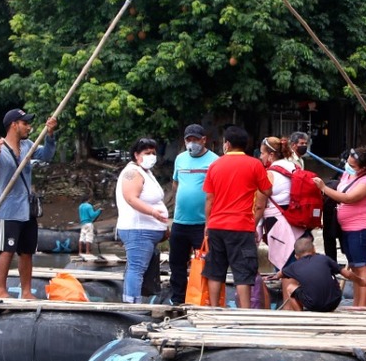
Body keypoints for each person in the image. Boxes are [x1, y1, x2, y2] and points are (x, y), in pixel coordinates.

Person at [0, 107, 57, 299]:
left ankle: (26, 291)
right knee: (6, 250)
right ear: (14, 125)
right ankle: (1, 290)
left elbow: (47, 155)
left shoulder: (28, 145)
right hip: (9, 210)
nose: (29, 127)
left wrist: (50, 134)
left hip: (27, 209)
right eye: (25, 123)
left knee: (27, 252)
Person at [203, 126, 272, 308]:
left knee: (215, 270)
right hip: (242, 226)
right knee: (243, 271)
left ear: (227, 144)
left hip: (217, 225)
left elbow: (209, 199)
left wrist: (207, 224)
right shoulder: (255, 164)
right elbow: (267, 191)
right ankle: (245, 310)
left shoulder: (215, 165)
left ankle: (214, 308)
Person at [315, 147, 366, 307]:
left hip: (361, 229)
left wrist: (324, 188)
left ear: (363, 167)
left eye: (353, 165)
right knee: (355, 267)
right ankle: (357, 303)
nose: (349, 167)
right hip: (346, 228)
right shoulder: (348, 174)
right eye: (348, 163)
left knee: (363, 267)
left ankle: (363, 304)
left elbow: (348, 198)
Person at [169, 123, 219, 304]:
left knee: (205, 263)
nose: (192, 143)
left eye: (195, 140)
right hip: (180, 222)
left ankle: (202, 299)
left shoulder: (214, 161)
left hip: (202, 224)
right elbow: (175, 184)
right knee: (176, 262)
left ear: (204, 140)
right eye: (188, 140)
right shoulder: (180, 159)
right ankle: (177, 299)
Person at [116, 138, 169, 303]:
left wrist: (162, 225)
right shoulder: (132, 173)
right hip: (138, 229)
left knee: (140, 269)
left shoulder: (146, 172)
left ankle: (135, 302)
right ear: (136, 155)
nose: (151, 156)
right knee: (136, 269)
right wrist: (153, 213)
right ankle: (131, 304)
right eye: (147, 153)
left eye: (153, 153)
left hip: (149, 230)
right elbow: (131, 198)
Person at [280, 234, 358, 312]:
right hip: (335, 302)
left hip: (314, 305)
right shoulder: (324, 258)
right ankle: (329, 309)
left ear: (296, 257)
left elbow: (279, 275)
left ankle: (300, 313)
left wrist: (275, 276)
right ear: (314, 249)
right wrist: (360, 281)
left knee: (290, 287)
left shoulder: (294, 266)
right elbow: (348, 274)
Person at [259, 136, 304, 271]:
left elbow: (260, 205)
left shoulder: (269, 174)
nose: (260, 157)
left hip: (277, 222)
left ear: (271, 155)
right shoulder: (294, 167)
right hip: (297, 221)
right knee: (296, 266)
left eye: (262, 153)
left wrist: (254, 226)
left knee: (283, 267)